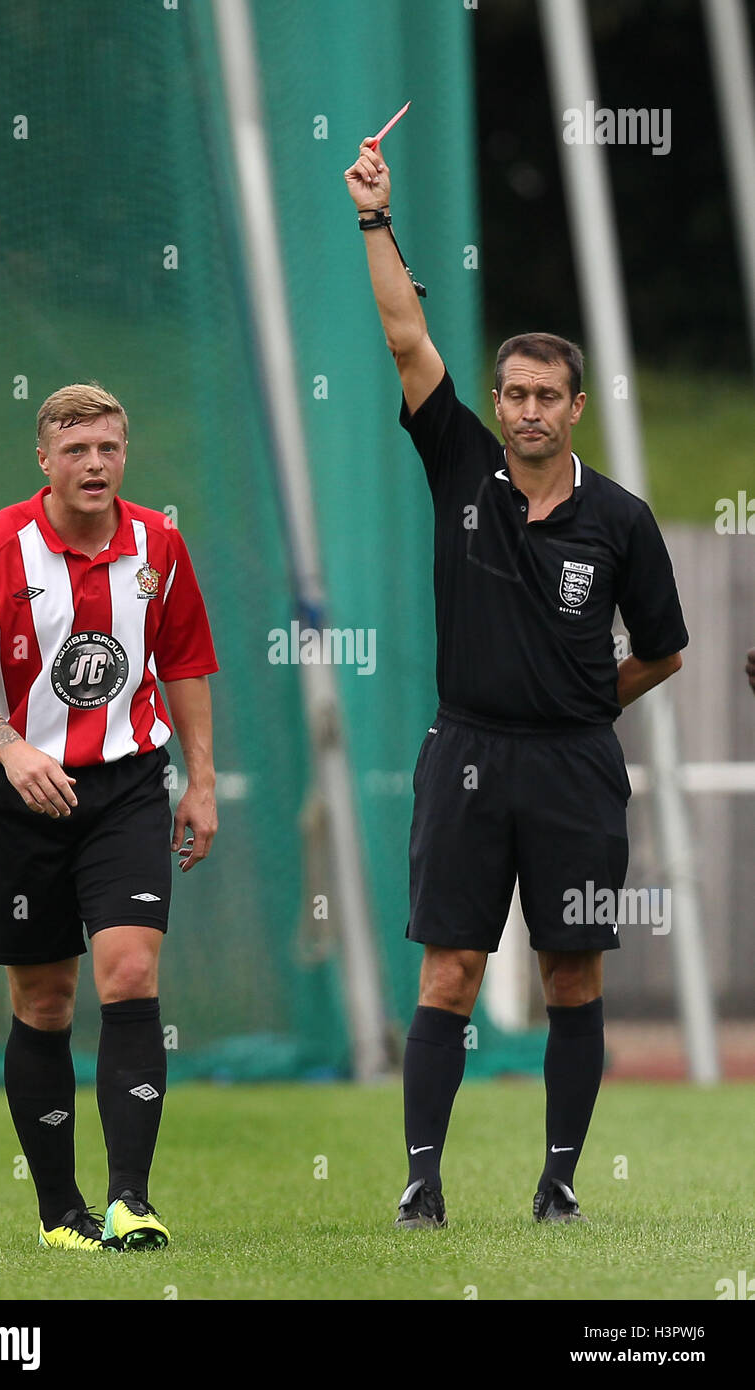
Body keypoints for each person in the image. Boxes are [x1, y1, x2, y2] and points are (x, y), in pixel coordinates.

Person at [344, 138, 688, 1227]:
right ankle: (420, 1184)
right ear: (492, 400)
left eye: (546, 395)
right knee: (446, 973)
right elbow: (404, 330)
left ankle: (557, 1185)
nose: (527, 410)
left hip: (575, 768)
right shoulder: (458, 461)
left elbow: (666, 648)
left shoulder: (621, 520)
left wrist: (590, 705)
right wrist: (373, 218)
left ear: (576, 406)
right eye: (512, 393)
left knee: (569, 979)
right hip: (465, 752)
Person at [0, 382, 218, 1251]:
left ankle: (132, 1200)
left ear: (124, 456)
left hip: (128, 785)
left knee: (128, 975)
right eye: (77, 450)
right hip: (25, 796)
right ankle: (61, 1214)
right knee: (45, 1000)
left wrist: (200, 783)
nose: (95, 465)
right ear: (45, 460)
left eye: (110, 449)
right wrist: (12, 748)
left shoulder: (158, 542)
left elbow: (188, 663)